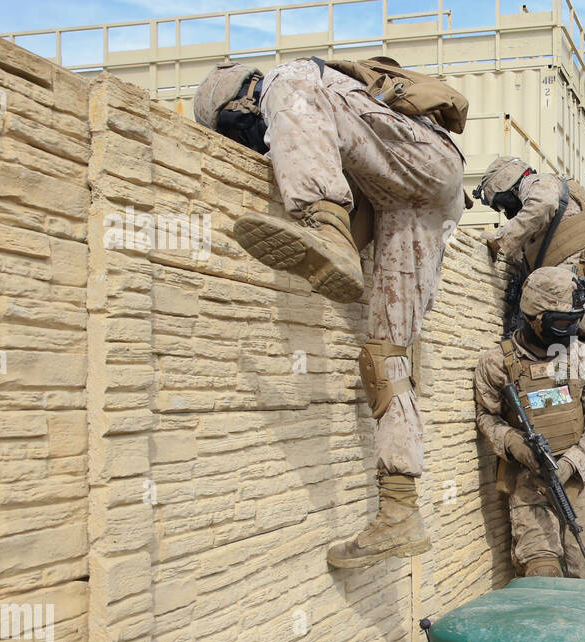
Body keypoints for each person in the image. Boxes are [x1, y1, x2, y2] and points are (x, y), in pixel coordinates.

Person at [193, 57, 467, 568]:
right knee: (387, 359)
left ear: (239, 96)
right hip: (415, 201)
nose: (250, 143)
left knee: (289, 81)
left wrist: (328, 221)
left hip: (422, 159)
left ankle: (326, 227)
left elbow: (294, 98)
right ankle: (401, 509)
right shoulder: (334, 114)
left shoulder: (289, 82)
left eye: (240, 129)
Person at [473, 267, 585, 583]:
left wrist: (573, 462)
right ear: (533, 317)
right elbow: (486, 417)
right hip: (529, 484)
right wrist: (514, 444)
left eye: (574, 321)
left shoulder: (581, 357)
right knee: (540, 576)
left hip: (581, 481)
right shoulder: (497, 362)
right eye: (560, 323)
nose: (568, 331)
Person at [472, 156, 585, 349]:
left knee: (536, 372)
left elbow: (543, 204)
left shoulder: (539, 183)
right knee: (580, 375)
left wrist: (500, 239)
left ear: (508, 189)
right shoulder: (569, 201)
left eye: (500, 205)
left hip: (566, 308)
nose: (505, 211)